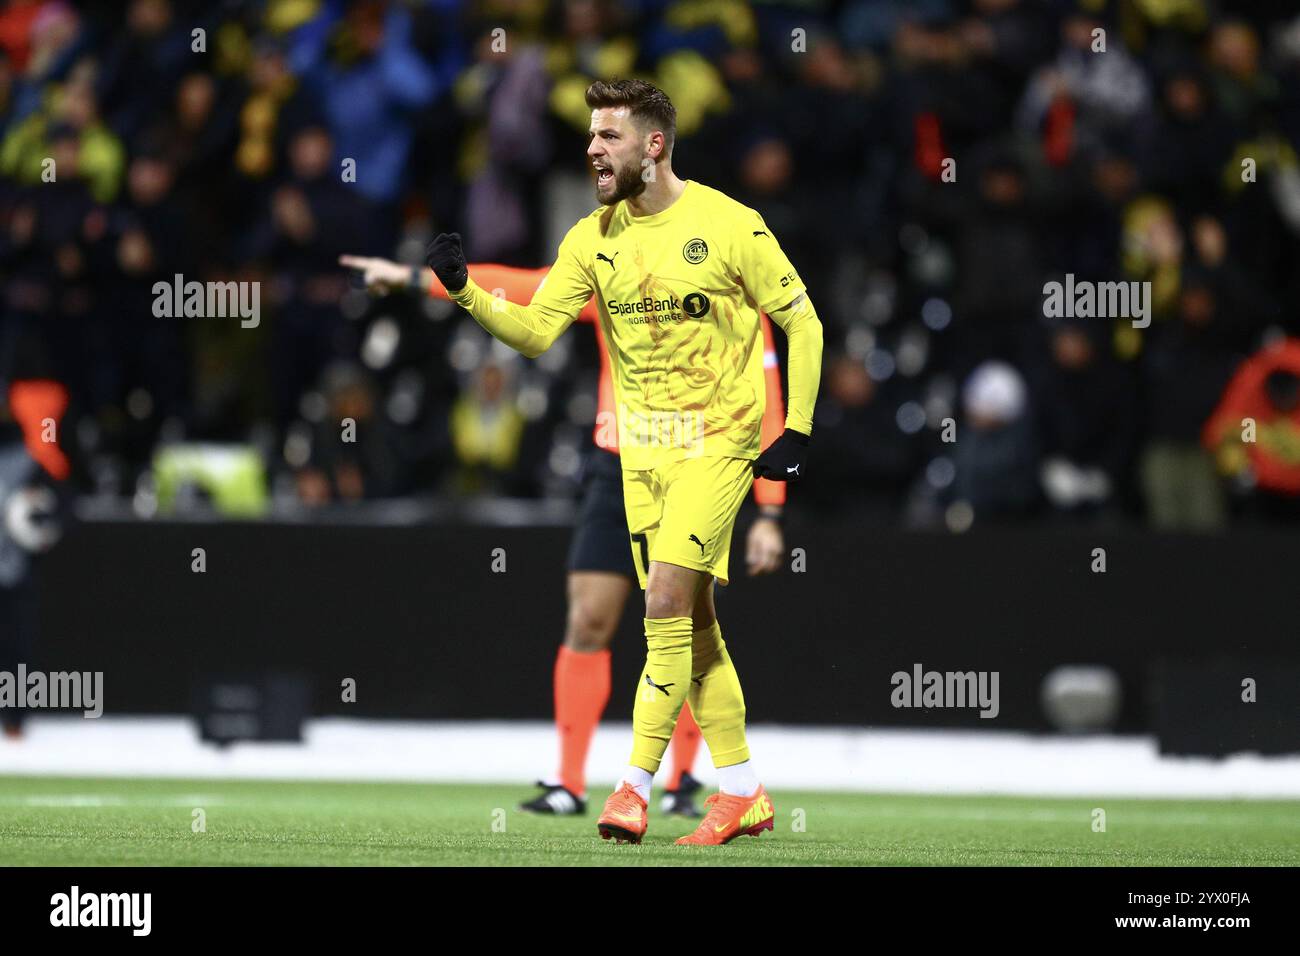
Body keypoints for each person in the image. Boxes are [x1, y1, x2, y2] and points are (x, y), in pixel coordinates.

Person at [424, 79, 822, 846]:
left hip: (717, 443)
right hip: (640, 457)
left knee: (664, 605)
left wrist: (796, 429)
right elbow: (539, 330)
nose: (593, 149)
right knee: (697, 629)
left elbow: (800, 322)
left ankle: (631, 787)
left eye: (609, 136)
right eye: (591, 136)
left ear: (655, 144)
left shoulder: (730, 225)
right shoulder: (592, 236)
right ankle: (743, 790)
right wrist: (465, 291)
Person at [339, 256, 791, 816]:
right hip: (616, 465)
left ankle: (681, 784)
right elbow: (524, 289)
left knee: (687, 622)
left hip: (693, 467)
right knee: (588, 618)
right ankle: (570, 782)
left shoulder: (730, 281)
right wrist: (415, 278)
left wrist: (770, 508)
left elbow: (765, 392)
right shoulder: (613, 268)